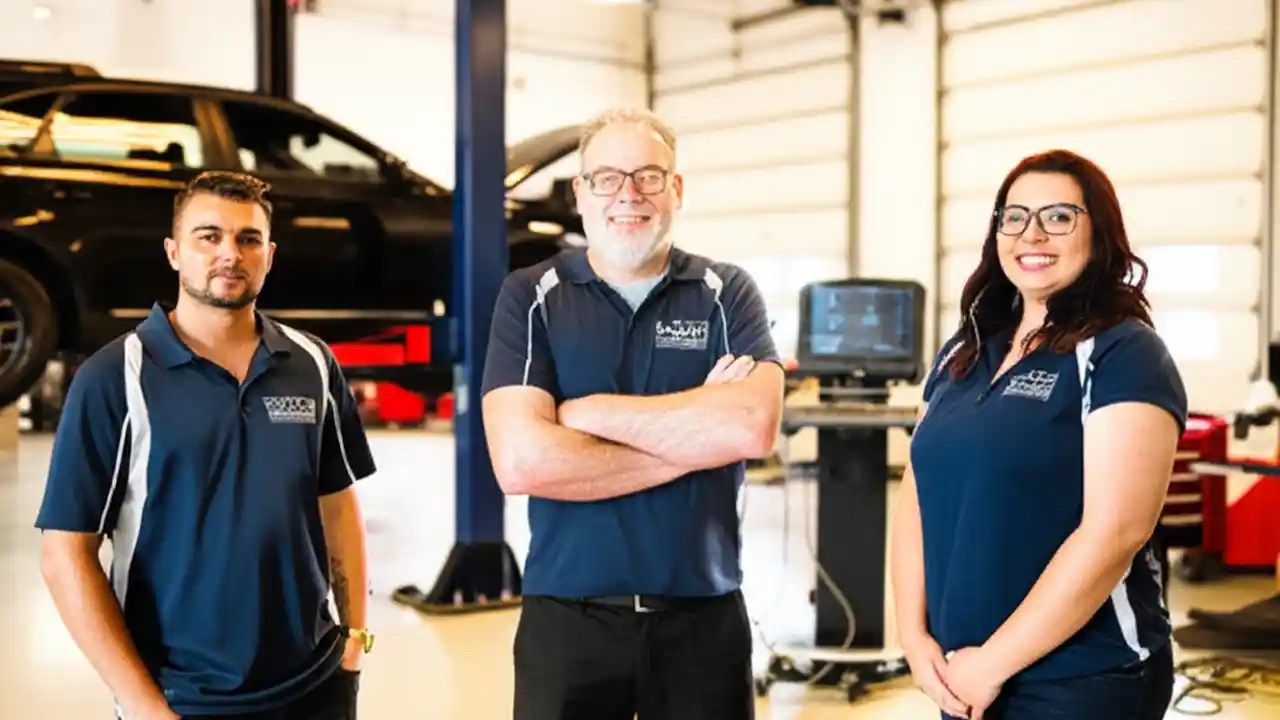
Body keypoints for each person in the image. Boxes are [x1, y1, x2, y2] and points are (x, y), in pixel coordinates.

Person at [35, 171, 377, 720]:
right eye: (208, 236)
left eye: (247, 239)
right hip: (181, 698)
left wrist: (354, 640)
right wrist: (146, 707)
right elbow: (65, 556)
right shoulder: (114, 377)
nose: (229, 254)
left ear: (270, 254)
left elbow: (335, 502)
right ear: (173, 252)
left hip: (315, 686)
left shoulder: (312, 364)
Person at [481, 107, 785, 720]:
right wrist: (698, 434)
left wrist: (585, 413)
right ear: (580, 192)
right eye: (608, 177)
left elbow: (752, 427)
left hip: (702, 618)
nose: (629, 194)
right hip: (568, 620)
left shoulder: (727, 292)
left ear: (676, 188)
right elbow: (521, 463)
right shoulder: (532, 296)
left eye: (649, 176)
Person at [890, 149, 1187, 719]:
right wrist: (913, 635)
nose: (1032, 233)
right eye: (1015, 216)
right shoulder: (965, 350)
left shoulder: (1123, 352)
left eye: (1058, 216)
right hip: (962, 669)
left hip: (1084, 679)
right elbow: (915, 493)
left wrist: (994, 663)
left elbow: (1116, 531)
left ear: (1098, 233)